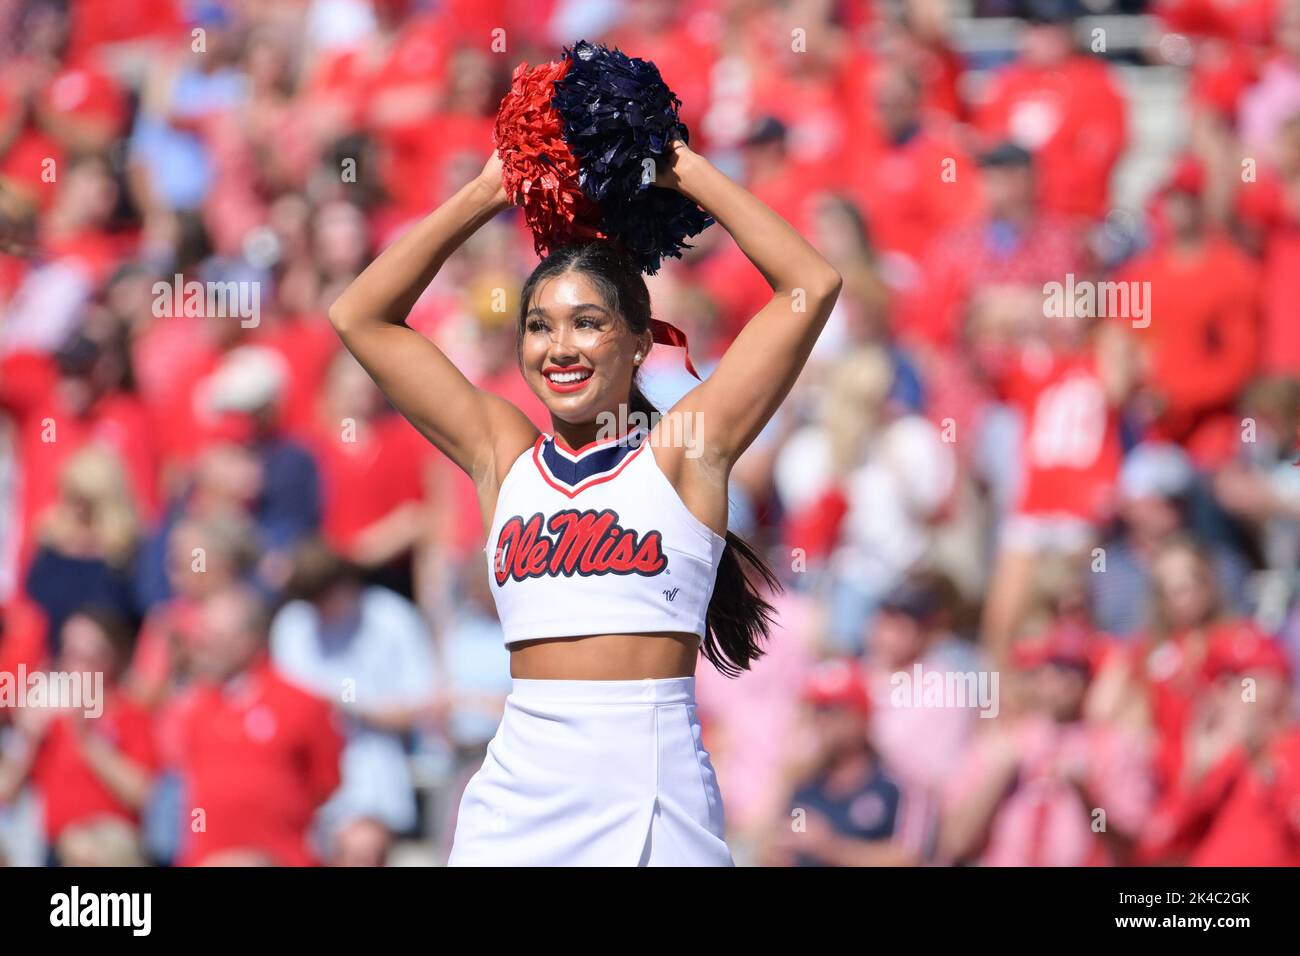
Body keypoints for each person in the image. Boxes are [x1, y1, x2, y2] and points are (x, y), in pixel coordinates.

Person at [328, 139, 842, 865]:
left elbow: (809, 287)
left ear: (639, 341)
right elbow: (361, 316)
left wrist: (681, 169)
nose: (558, 347)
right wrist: (486, 193)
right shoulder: (502, 454)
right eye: (538, 325)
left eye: (587, 322)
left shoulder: (684, 451)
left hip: (652, 802)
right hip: (516, 805)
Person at [169, 585, 343, 866]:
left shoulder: (303, 703)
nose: (202, 649)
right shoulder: (193, 706)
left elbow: (327, 785)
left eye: (214, 639)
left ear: (249, 639)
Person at [763, 659, 927, 867]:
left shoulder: (896, 785)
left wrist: (830, 848)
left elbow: (910, 858)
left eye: (832, 710)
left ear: (860, 716)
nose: (822, 720)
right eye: (818, 710)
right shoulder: (805, 787)